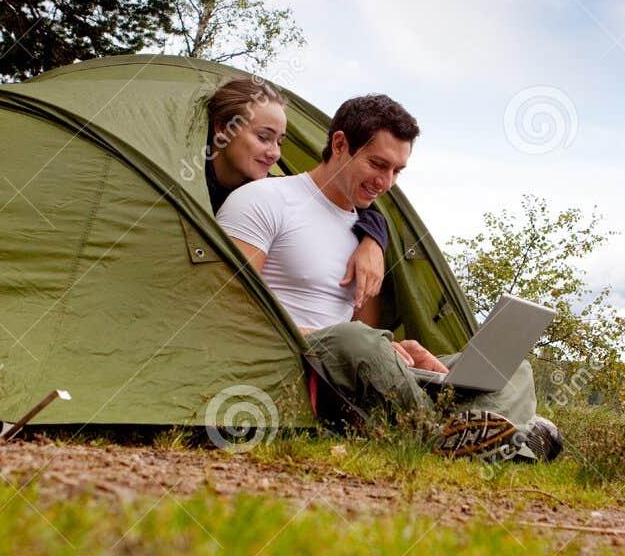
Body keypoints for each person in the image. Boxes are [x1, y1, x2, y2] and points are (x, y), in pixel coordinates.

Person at [215, 92, 561, 461]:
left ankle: (473, 438)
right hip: (303, 360)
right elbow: (232, 311)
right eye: (378, 164)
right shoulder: (262, 201)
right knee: (354, 339)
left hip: (358, 371)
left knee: (511, 368)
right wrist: (365, 344)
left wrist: (402, 352)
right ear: (340, 144)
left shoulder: (370, 233)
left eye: (397, 171)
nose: (386, 182)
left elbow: (365, 328)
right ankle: (489, 437)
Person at [202, 77, 387, 310]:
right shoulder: (188, 182)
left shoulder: (267, 191)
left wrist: (374, 242)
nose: (275, 154)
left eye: (279, 142)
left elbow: (364, 212)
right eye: (263, 137)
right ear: (222, 127)